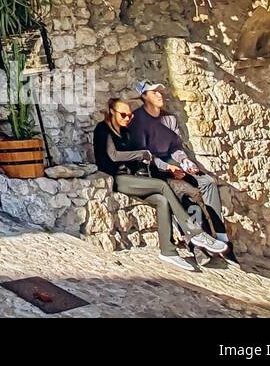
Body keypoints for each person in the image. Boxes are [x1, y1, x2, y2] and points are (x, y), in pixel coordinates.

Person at [93, 98, 225, 270]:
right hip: (117, 178)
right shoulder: (103, 129)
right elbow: (113, 156)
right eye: (123, 115)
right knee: (162, 186)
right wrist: (142, 154)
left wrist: (151, 161)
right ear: (112, 112)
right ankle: (193, 231)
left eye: (130, 116)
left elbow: (139, 156)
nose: (127, 118)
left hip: (134, 178)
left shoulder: (126, 133)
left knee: (162, 200)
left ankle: (168, 251)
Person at [125, 81, 237, 265]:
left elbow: (176, 148)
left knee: (207, 181)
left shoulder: (169, 119)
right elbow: (143, 154)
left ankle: (222, 237)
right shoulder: (137, 121)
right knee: (178, 194)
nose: (160, 95)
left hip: (172, 161)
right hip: (153, 167)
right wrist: (168, 168)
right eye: (154, 93)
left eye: (160, 92)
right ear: (144, 96)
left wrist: (185, 162)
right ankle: (197, 245)